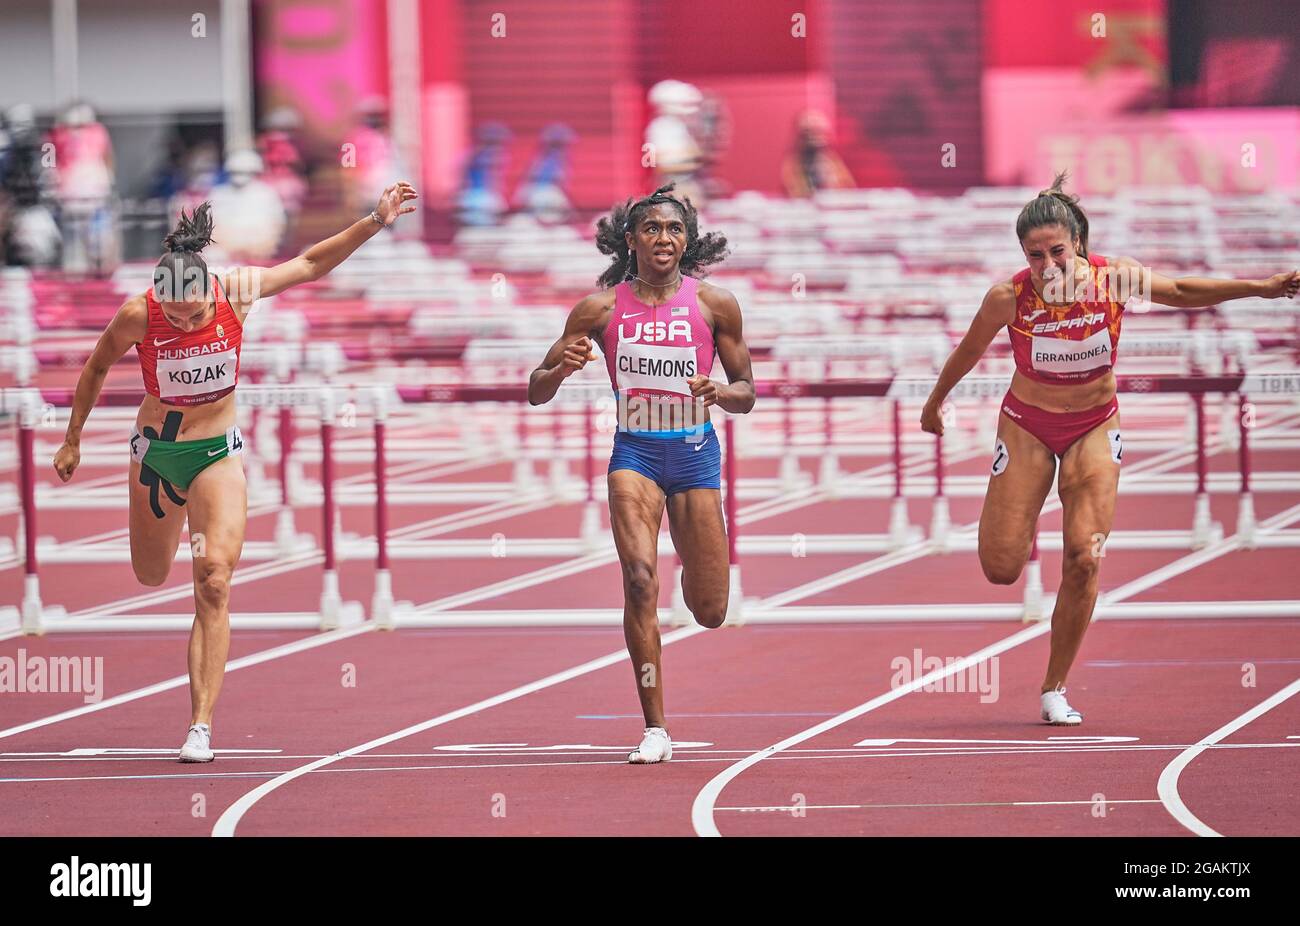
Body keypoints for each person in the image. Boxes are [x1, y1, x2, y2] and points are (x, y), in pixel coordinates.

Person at [51, 182, 419, 762]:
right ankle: (164, 548)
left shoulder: (238, 291)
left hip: (216, 454)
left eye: (194, 310)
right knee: (149, 575)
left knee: (214, 579)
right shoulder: (137, 315)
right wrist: (73, 439)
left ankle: (200, 725)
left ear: (206, 287)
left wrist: (375, 218)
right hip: (156, 457)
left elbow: (309, 262)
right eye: (175, 312)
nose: (186, 318)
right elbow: (97, 366)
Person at [921, 172, 1299, 725]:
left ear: (1079, 244)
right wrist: (935, 404)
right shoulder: (1008, 298)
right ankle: (1021, 504)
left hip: (1095, 426)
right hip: (1026, 426)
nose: (1048, 267)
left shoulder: (1114, 280)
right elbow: (969, 349)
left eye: (1057, 252)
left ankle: (1054, 687)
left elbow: (1181, 292)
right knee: (1001, 567)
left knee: (1083, 556)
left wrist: (1260, 288)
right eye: (1035, 257)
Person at [528, 184, 755, 763]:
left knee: (710, 611)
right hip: (635, 455)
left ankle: (692, 562)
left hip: (695, 452)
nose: (663, 238)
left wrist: (719, 391)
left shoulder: (715, 305)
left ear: (688, 241)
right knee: (638, 580)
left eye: (674, 230)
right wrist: (562, 368)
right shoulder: (599, 310)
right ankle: (655, 727)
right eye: (651, 228)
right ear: (630, 240)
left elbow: (747, 393)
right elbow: (536, 389)